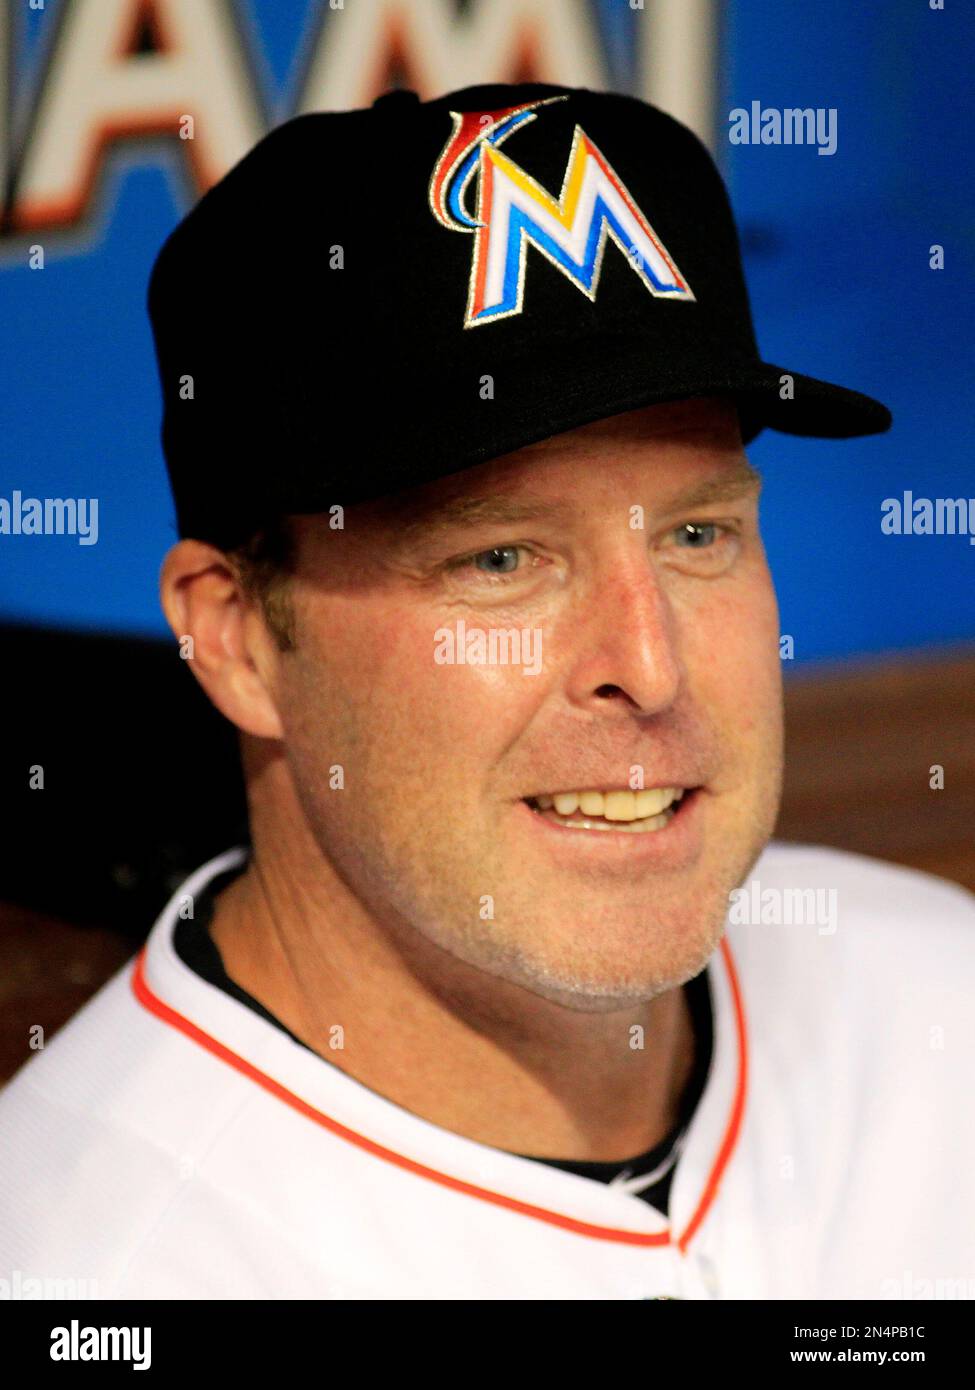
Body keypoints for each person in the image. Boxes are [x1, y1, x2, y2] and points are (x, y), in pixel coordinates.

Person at [1, 83, 971, 1301]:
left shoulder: (946, 997)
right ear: (239, 638)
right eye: (501, 559)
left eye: (697, 535)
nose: (651, 664)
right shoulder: (83, 1271)